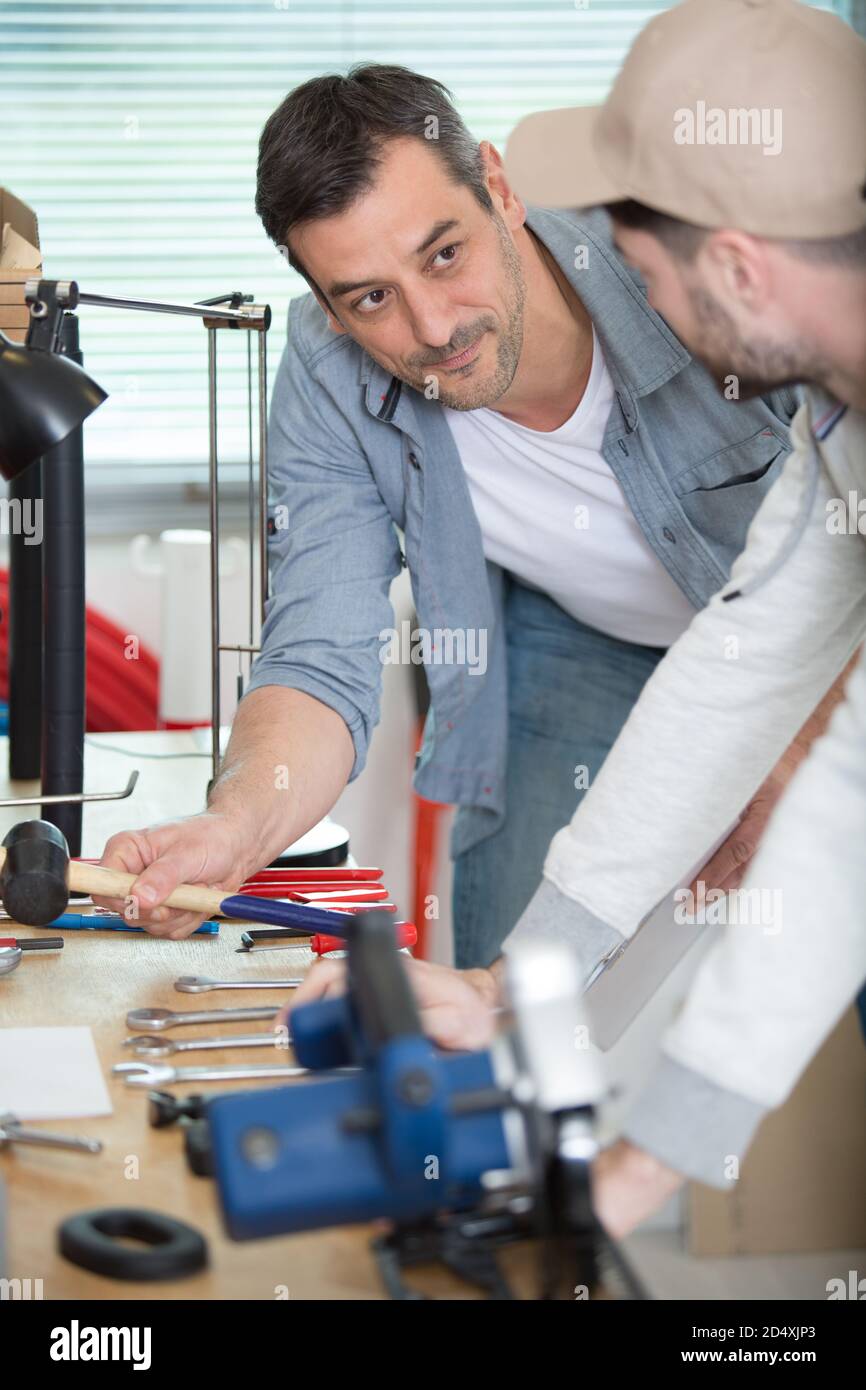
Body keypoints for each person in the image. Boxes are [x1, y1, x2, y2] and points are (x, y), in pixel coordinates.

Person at [289, 0, 866, 1236]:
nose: (614, 283)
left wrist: (647, 1151)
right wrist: (518, 989)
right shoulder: (838, 420)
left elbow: (839, 807)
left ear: (739, 269)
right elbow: (742, 660)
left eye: (639, 266)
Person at [97, 63, 844, 972]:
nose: (434, 326)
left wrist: (804, 729)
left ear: (498, 186)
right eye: (370, 297)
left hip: (831, 649)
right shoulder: (328, 375)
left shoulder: (692, 269)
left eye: (444, 252)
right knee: (518, 987)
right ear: (330, 311)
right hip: (579, 642)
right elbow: (319, 646)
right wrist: (234, 829)